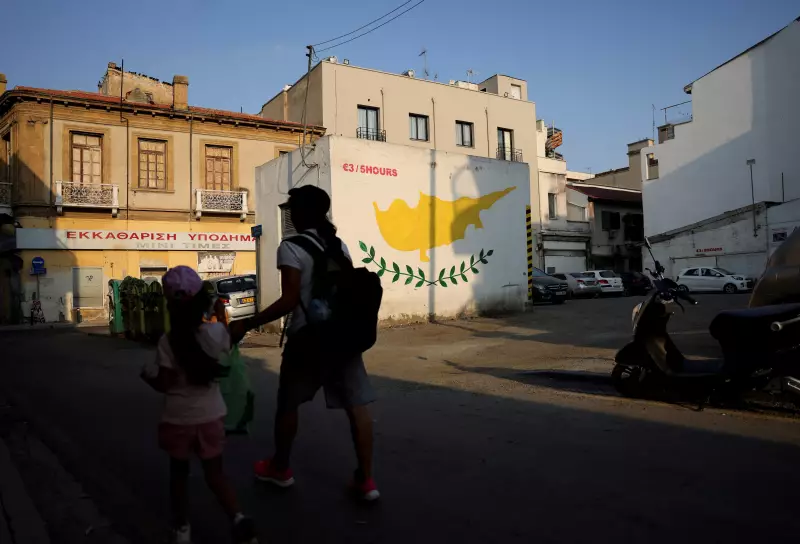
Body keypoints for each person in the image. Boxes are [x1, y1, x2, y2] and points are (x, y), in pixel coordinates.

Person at [230, 185, 379, 501]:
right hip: (343, 337)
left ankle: (280, 468)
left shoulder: (291, 247)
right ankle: (366, 481)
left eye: (293, 209)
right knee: (357, 407)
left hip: (308, 341)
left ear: (302, 213)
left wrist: (246, 324)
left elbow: (289, 300)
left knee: (288, 405)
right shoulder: (339, 246)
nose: (290, 214)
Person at [141, 265, 257, 543]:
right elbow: (229, 337)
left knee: (179, 476)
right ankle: (238, 518)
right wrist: (218, 312)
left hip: (178, 420)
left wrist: (147, 378)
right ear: (201, 301)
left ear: (169, 305)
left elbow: (165, 384)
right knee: (215, 474)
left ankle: (182, 529)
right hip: (211, 418)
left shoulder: (167, 343)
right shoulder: (217, 333)